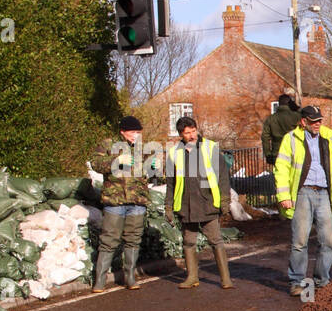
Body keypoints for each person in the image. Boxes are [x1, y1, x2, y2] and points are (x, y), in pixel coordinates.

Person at [275, 105, 332, 295]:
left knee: (328, 241)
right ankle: (297, 282)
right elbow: (281, 168)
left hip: (324, 194)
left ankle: (322, 280)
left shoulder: (328, 138)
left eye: (320, 120)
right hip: (302, 193)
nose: (318, 124)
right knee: (300, 241)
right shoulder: (291, 139)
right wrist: (284, 196)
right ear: (303, 122)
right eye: (314, 121)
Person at [166, 116, 233, 290]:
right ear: (180, 134)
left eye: (193, 131)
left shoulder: (210, 148)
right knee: (188, 242)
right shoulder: (174, 153)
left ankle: (226, 279)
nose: (192, 135)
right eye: (187, 133)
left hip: (208, 203)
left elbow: (223, 177)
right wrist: (168, 206)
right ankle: (192, 277)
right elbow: (171, 182)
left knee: (216, 241)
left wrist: (225, 201)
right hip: (186, 206)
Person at [95, 115, 157, 292]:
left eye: (138, 132)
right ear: (122, 132)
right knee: (109, 240)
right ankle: (100, 280)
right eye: (132, 132)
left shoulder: (142, 149)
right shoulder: (108, 145)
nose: (135, 135)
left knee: (133, 239)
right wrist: (116, 161)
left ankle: (129, 277)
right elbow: (96, 163)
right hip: (115, 201)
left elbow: (150, 172)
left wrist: (152, 166)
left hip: (137, 200)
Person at [261, 92, 301, 171]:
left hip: (277, 153)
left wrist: (268, 154)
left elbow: (265, 137)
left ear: (279, 104)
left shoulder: (270, 119)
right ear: (289, 103)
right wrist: (296, 108)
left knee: (280, 178)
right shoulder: (297, 116)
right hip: (295, 152)